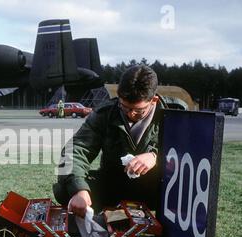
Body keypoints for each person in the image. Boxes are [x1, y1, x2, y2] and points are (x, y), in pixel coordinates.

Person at [53, 65, 165, 217]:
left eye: (138, 111)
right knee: (65, 188)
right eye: (124, 107)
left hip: (156, 187)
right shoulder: (105, 113)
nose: (130, 114)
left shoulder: (173, 114)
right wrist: (80, 190)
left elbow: (190, 155)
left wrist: (155, 157)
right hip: (114, 184)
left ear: (154, 100)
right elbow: (77, 149)